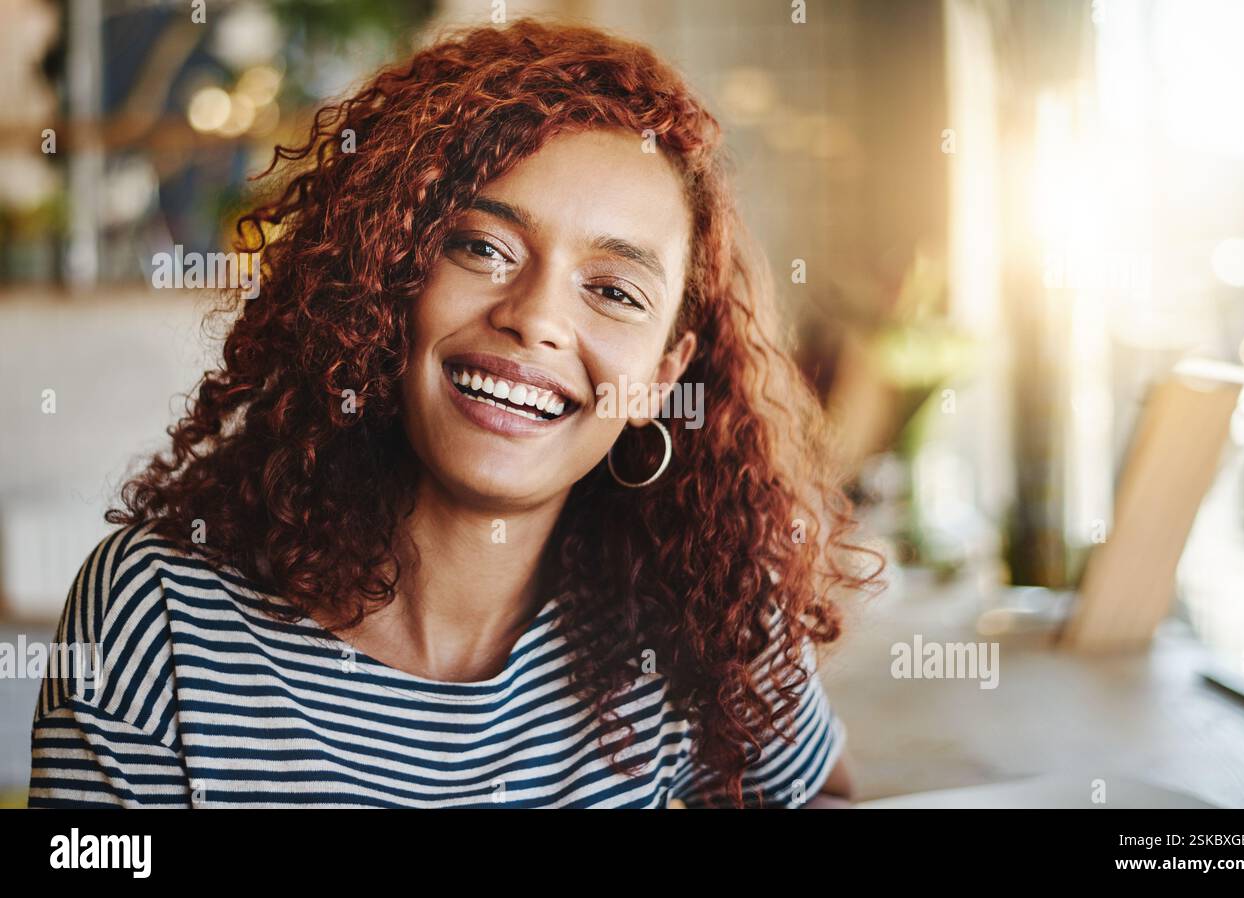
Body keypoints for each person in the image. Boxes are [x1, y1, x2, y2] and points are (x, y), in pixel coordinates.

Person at [29, 18, 880, 808]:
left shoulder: (706, 612)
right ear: (387, 276)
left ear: (661, 376)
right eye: (482, 247)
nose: (536, 319)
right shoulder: (159, 614)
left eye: (614, 290)